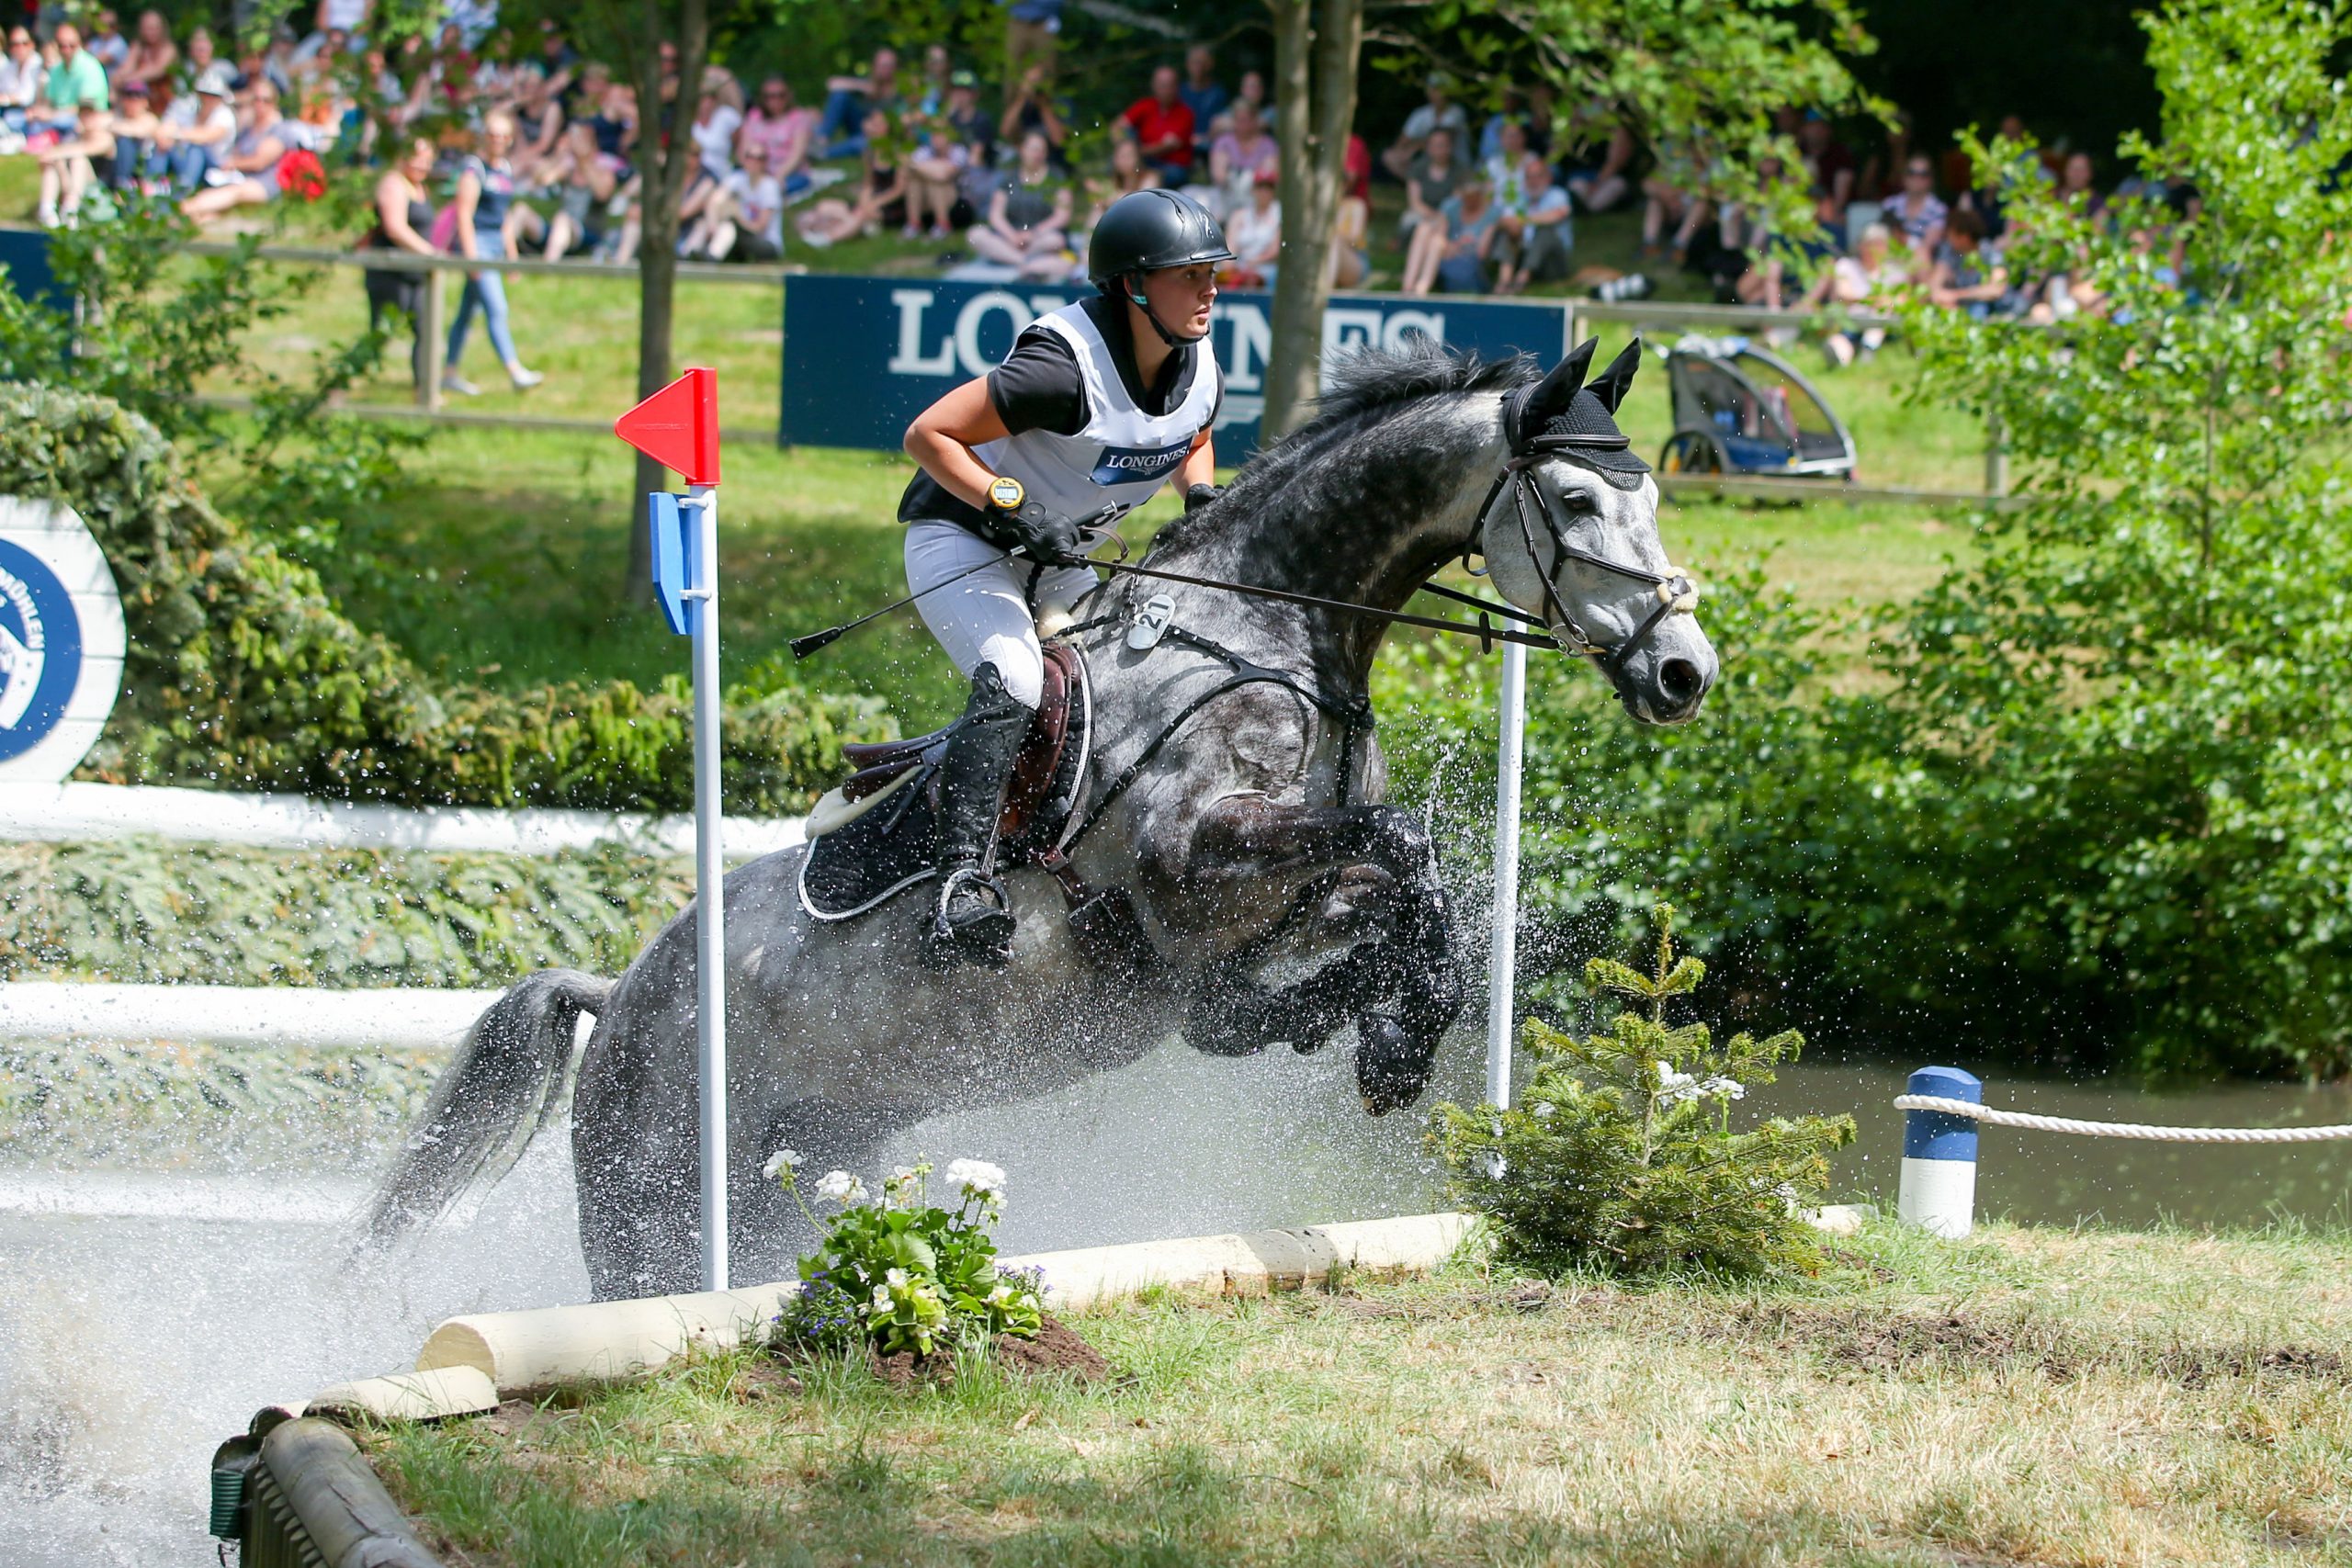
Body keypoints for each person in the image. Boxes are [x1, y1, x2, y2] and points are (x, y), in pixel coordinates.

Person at [897, 187, 1228, 966]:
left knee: (1132, 685)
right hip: (966, 538)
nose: (1209, 287)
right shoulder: (1059, 370)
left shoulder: (1196, 351)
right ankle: (960, 883)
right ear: (1133, 286)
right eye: (1190, 274)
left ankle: (1091, 874)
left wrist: (1202, 496)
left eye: (1213, 270)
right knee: (1015, 678)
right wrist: (1008, 500)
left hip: (1063, 562)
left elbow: (1191, 429)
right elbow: (928, 433)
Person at [442, 110, 546, 395]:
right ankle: (514, 371)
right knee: (496, 308)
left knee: (466, 312)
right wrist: (473, 256)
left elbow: (503, 219)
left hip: (495, 244)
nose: (497, 140)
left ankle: (448, 371)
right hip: (477, 244)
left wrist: (511, 255)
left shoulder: (505, 170)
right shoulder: (473, 169)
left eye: (502, 136)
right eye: (492, 135)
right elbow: (464, 214)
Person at [358, 134, 437, 386]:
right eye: (417, 159)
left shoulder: (420, 187)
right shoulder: (393, 183)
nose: (422, 165)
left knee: (426, 331)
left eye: (427, 160)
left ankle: (424, 390)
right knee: (382, 333)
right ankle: (340, 385)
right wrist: (429, 253)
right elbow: (395, 227)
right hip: (390, 272)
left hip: (415, 273)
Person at [179, 81, 293, 222]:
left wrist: (233, 163)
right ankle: (190, 218)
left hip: (264, 182)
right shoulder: (249, 127)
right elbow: (236, 151)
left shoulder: (280, 129)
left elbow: (259, 162)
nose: (260, 104)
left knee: (233, 191)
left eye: (266, 100)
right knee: (217, 194)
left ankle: (181, 210)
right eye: (256, 99)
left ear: (274, 103)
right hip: (239, 177)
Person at [795, 107, 909, 246]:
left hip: (891, 206)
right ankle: (860, 225)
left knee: (861, 213)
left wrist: (875, 203)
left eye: (877, 125)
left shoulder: (900, 153)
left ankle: (829, 238)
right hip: (872, 200)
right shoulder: (870, 151)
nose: (872, 128)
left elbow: (899, 189)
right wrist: (864, 200)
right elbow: (869, 183)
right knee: (824, 206)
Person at [966, 128, 1069, 276]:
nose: (1037, 155)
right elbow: (996, 215)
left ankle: (1012, 259)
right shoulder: (1009, 178)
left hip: (1040, 238)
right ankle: (1023, 262)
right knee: (975, 234)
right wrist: (1012, 236)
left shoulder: (1057, 177)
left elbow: (1062, 216)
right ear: (1022, 150)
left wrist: (1033, 233)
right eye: (1033, 150)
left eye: (1041, 150)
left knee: (1055, 240)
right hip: (1009, 239)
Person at [1804, 220, 1905, 366]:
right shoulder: (1847, 265)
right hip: (1852, 320)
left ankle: (1868, 348)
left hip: (1884, 324)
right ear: (1860, 245)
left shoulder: (1895, 270)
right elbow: (1843, 295)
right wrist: (1873, 300)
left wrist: (1886, 302)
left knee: (1881, 312)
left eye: (1878, 245)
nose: (1872, 250)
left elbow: (1902, 300)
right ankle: (1841, 357)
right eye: (1869, 245)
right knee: (1842, 340)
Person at [147, 62, 234, 193]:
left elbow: (207, 136)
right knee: (162, 147)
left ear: (221, 98)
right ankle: (153, 187)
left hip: (213, 164)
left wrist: (175, 134)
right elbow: (164, 128)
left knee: (196, 149)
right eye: (205, 93)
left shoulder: (225, 115)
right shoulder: (188, 107)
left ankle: (183, 190)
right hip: (183, 157)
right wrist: (167, 136)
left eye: (213, 95)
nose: (208, 99)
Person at [1488, 156, 1572, 293]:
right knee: (1509, 233)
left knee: (1545, 231)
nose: (1533, 181)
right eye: (1529, 177)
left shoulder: (1558, 195)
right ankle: (1504, 283)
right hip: (1523, 256)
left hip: (1552, 263)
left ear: (1548, 178)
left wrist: (1522, 220)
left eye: (1538, 176)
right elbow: (1503, 220)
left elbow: (1557, 215)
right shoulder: (1520, 198)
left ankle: (1522, 280)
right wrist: (1513, 226)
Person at [35, 99, 114, 226]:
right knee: (53, 163)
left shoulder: (105, 138)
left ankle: (71, 209)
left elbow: (85, 149)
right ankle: (47, 209)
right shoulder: (75, 137)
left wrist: (55, 153)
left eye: (91, 114)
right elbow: (52, 156)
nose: (87, 118)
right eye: (84, 114)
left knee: (78, 159)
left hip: (99, 193)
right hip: (71, 185)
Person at [1382, 73, 1468, 183]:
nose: (1436, 93)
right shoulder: (1421, 113)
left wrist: (1414, 148)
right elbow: (1403, 139)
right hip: (1427, 160)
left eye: (1440, 89)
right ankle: (1415, 185)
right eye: (1433, 89)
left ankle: (1423, 186)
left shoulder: (1456, 113)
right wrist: (1402, 151)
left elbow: (1442, 141)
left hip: (1454, 161)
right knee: (1390, 156)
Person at [28, 23, 107, 142]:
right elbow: (49, 102)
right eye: (62, 46)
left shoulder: (90, 67)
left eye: (71, 45)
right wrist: (38, 111)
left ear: (79, 44)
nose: (66, 49)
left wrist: (53, 115)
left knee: (63, 122)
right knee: (21, 120)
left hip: (84, 119)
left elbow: (85, 109)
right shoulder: (56, 70)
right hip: (57, 117)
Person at [1926, 206, 2008, 318]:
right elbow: (1934, 284)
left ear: (1964, 237)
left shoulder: (1991, 253)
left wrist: (1956, 295)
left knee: (1979, 309)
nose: (1948, 238)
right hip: (1960, 307)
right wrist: (1941, 297)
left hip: (1995, 308)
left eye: (1951, 234)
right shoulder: (1949, 251)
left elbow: (1996, 289)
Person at [740, 75, 814, 198]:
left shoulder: (798, 117)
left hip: (789, 173)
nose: (776, 100)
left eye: (781, 95)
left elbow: (797, 154)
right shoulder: (755, 116)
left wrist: (780, 174)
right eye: (770, 96)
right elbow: (745, 148)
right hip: (758, 169)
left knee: (782, 186)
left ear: (788, 96)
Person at [817, 48, 897, 160]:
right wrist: (862, 87)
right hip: (857, 125)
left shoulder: (899, 92)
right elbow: (831, 84)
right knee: (840, 96)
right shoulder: (866, 83)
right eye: (883, 66)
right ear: (874, 66)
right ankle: (821, 139)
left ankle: (822, 153)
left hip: (879, 133)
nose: (886, 70)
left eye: (890, 66)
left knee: (863, 143)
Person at [1121, 64, 1193, 186]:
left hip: (1170, 166)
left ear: (1177, 87)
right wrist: (1124, 146)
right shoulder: (1145, 105)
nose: (1165, 90)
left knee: (1172, 175)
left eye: (1169, 85)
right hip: (1143, 160)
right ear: (1153, 85)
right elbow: (1117, 126)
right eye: (1161, 85)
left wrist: (1134, 153)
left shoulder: (1185, 113)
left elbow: (1167, 147)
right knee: (1120, 156)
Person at [1204, 97, 1275, 218]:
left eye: (1247, 120)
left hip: (1254, 198)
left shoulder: (1267, 145)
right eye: (1240, 120)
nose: (1243, 124)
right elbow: (1218, 176)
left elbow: (1268, 176)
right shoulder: (1223, 142)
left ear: (1255, 120)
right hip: (1226, 196)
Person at [998, 62, 1069, 169]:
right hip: (1024, 162)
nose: (1034, 87)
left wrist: (1043, 105)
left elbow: (1059, 140)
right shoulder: (1021, 105)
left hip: (1053, 162)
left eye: (1038, 82)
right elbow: (1005, 132)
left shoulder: (1060, 103)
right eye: (1030, 82)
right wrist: (1021, 98)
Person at [1221, 166, 1279, 287]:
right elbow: (1230, 247)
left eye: (1268, 188)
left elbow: (1275, 251)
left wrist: (1254, 263)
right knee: (1223, 277)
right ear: (1253, 189)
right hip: (1241, 265)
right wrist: (1230, 265)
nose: (1264, 192)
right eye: (1260, 187)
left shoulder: (1279, 214)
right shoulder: (1240, 215)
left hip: (1267, 267)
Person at [1399, 124, 1461, 236]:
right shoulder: (1418, 168)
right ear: (1428, 147)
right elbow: (1415, 202)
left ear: (1450, 147)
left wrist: (1441, 218)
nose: (1439, 149)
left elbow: (1456, 203)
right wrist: (1433, 216)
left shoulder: (1459, 170)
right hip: (1423, 214)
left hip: (1448, 218)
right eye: (1435, 145)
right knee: (1409, 219)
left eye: (1443, 145)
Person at [1886, 155, 1948, 258]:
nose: (1917, 179)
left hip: (1922, 263)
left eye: (1923, 174)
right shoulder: (1890, 204)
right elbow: (1882, 236)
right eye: (1911, 173)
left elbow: (1928, 246)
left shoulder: (1938, 209)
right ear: (1904, 177)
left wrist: (1905, 241)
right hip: (1891, 257)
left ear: (1930, 179)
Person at [1177, 42, 1226, 168]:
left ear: (1210, 64)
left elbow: (1220, 125)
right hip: (1180, 146)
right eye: (1194, 62)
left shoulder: (1218, 94)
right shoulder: (1178, 92)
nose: (1198, 67)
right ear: (1187, 65)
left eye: (1202, 62)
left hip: (1209, 147)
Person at [0, 27, 45, 152]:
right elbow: (4, 89)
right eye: (15, 44)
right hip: (11, 112)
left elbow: (26, 97)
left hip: (29, 114)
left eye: (24, 43)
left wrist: (8, 98)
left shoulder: (37, 65)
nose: (19, 48)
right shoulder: (10, 66)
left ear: (32, 45)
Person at [111, 9, 175, 95]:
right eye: (148, 28)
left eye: (154, 28)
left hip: (163, 99)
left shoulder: (168, 49)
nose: (151, 32)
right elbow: (127, 67)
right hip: (138, 98)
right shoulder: (138, 46)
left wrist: (127, 79)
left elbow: (156, 70)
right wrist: (118, 77)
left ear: (162, 29)